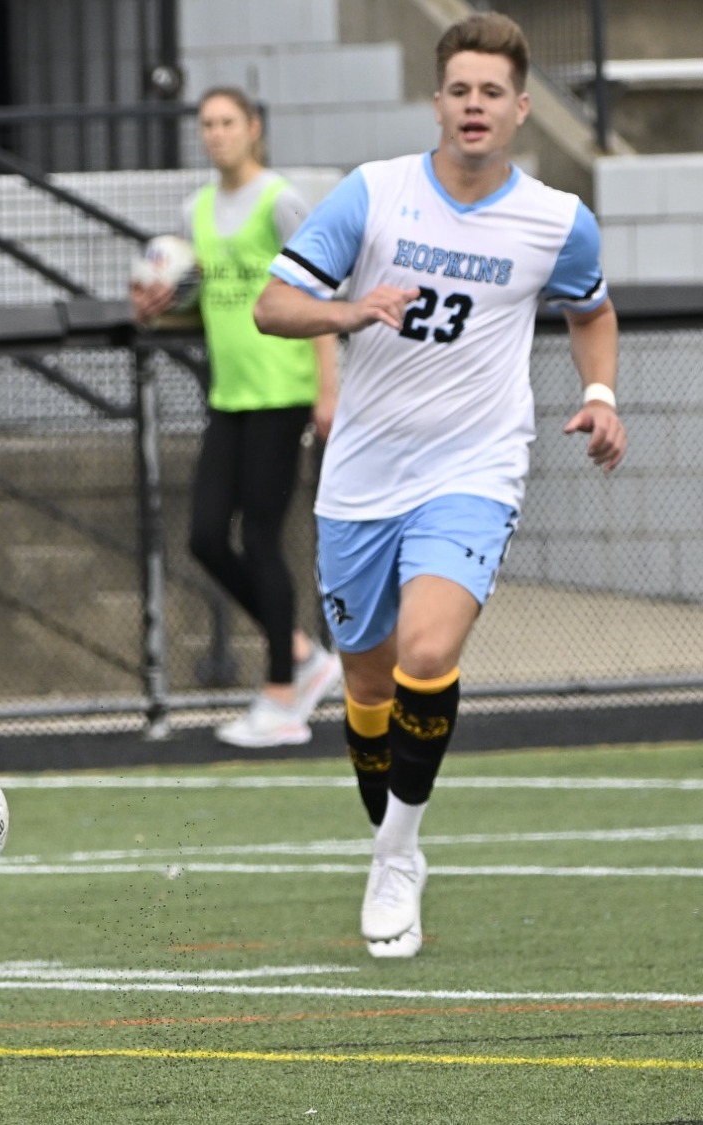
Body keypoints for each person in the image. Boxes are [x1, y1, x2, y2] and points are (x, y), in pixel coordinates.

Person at [255, 12, 624, 958]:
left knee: (427, 649)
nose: (474, 105)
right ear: (437, 102)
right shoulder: (374, 194)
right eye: (460, 89)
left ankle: (396, 856)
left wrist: (600, 395)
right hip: (361, 477)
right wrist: (350, 310)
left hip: (474, 467)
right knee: (367, 680)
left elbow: (591, 309)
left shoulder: (556, 220)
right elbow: (273, 304)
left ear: (520, 108)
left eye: (491, 91)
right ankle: (390, 837)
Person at [134, 85, 343, 749]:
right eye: (207, 124)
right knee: (203, 536)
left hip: (283, 391)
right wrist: (159, 310)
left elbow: (317, 295)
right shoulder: (195, 209)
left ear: (254, 128)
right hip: (228, 395)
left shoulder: (280, 201)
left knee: (260, 538)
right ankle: (303, 654)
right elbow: (204, 301)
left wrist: (329, 389)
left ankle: (282, 694)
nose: (216, 133)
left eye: (228, 122)